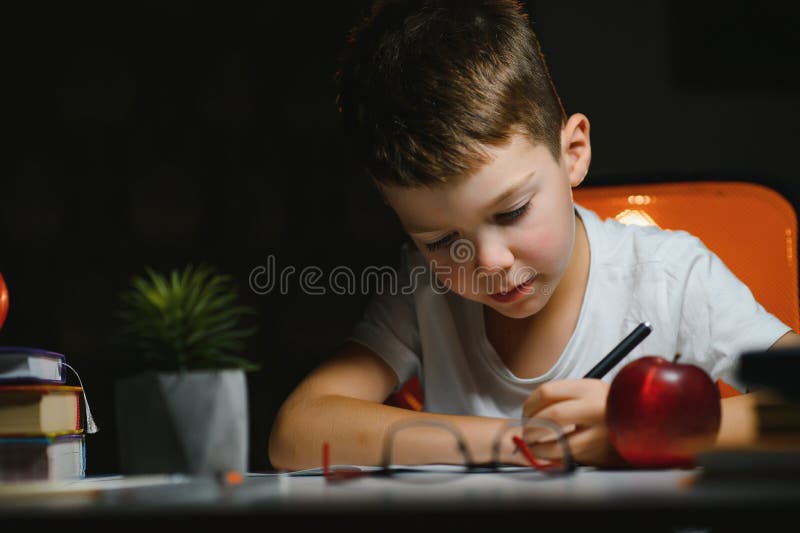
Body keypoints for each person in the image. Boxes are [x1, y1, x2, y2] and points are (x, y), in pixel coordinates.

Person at [268, 0, 800, 471]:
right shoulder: (425, 293)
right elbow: (298, 432)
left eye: (512, 211)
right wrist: (518, 441)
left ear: (573, 154)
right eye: (437, 240)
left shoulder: (671, 277)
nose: (490, 261)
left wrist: (644, 430)